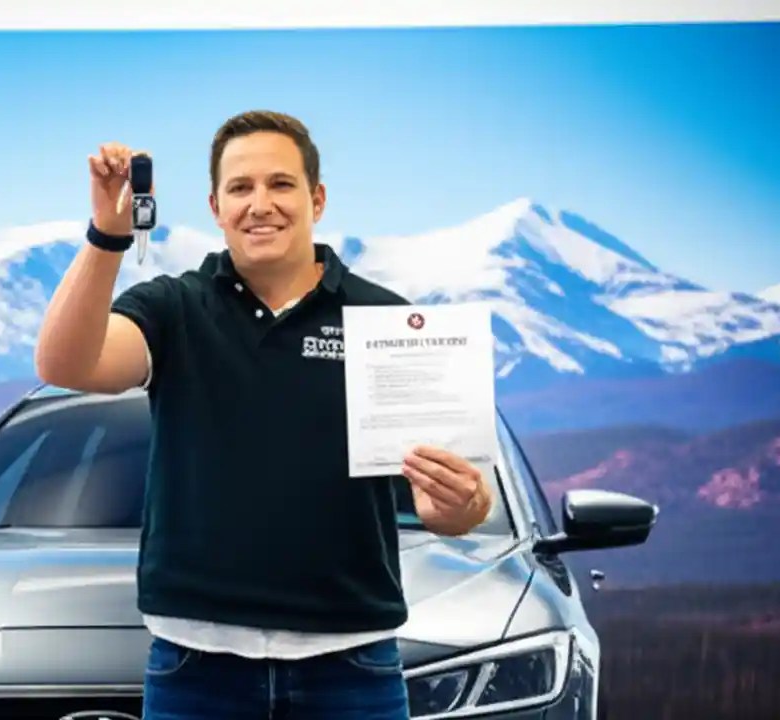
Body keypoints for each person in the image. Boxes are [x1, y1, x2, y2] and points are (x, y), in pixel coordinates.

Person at [34, 110, 493, 720]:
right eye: (240, 188)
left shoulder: (387, 321)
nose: (261, 204)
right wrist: (107, 233)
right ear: (215, 206)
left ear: (317, 198)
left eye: (281, 184)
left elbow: (464, 498)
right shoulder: (173, 309)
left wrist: (461, 508)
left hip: (353, 671)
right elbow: (65, 363)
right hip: (195, 672)